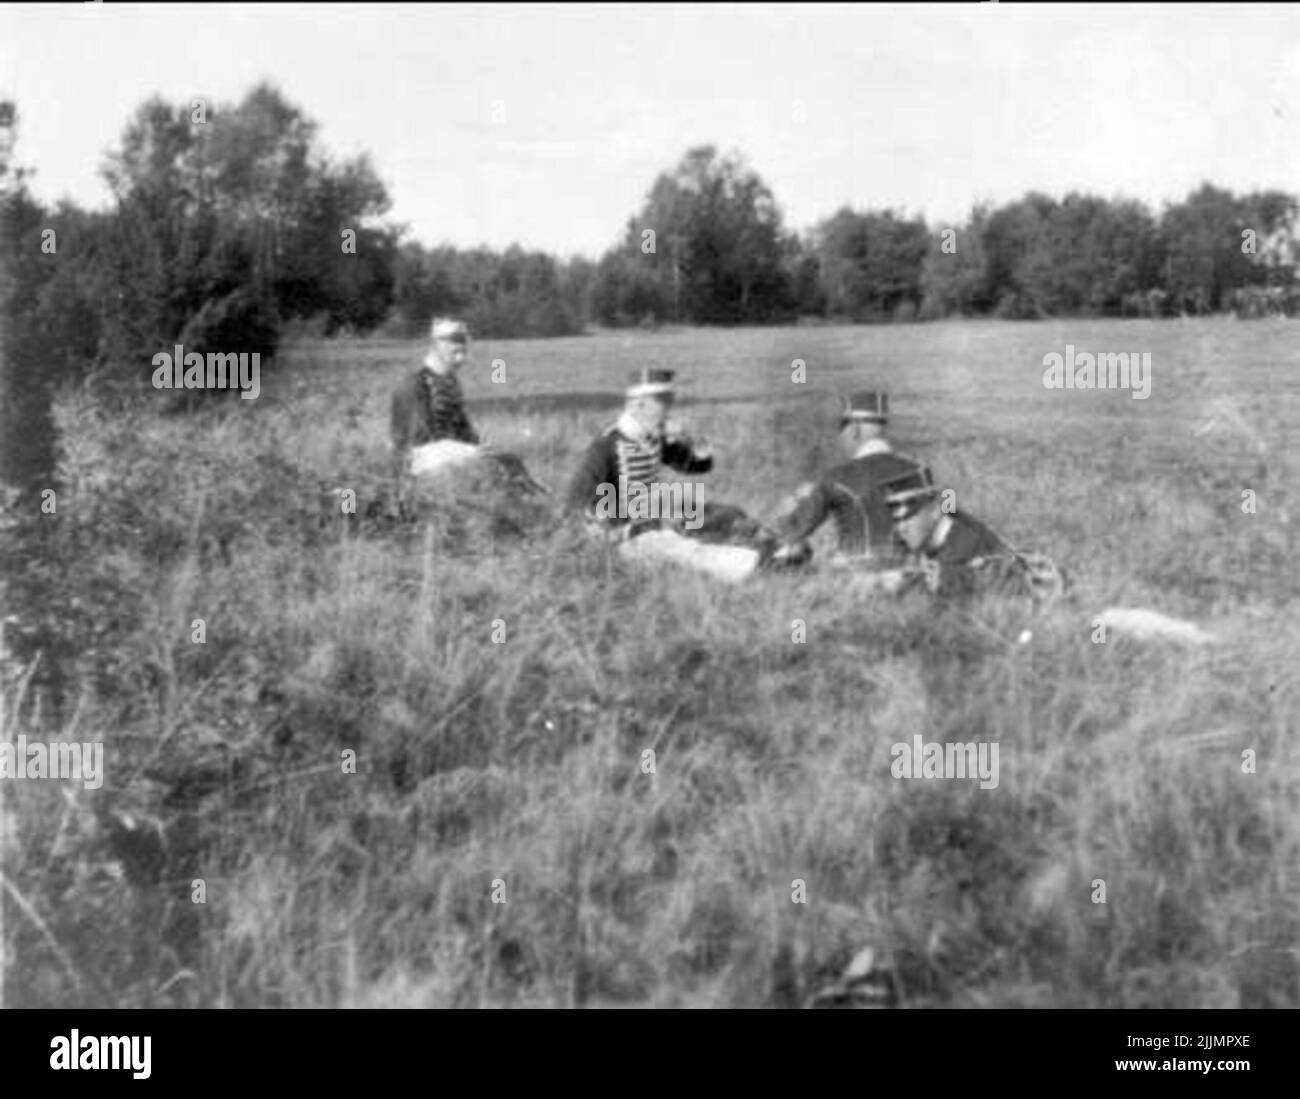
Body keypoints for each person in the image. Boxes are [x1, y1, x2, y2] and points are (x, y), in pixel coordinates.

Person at [565, 368, 782, 581]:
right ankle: (760, 566)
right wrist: (611, 532)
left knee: (728, 514)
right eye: (663, 402)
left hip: (658, 516)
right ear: (637, 404)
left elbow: (696, 466)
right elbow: (575, 500)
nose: (669, 409)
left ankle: (774, 546)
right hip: (628, 535)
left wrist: (690, 440)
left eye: (669, 401)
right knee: (681, 549)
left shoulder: (653, 436)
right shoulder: (606, 445)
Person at [866, 466, 1069, 605]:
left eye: (908, 512)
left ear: (935, 510)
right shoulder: (933, 533)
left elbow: (1000, 581)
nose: (900, 525)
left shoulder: (968, 547)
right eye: (893, 512)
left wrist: (942, 581)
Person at [765, 391, 925, 567]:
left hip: (855, 576)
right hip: (912, 573)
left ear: (854, 430)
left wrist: (796, 503)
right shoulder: (921, 472)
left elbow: (793, 532)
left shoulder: (836, 478)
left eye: (841, 427)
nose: (840, 436)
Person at [389, 316, 544, 495]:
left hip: (447, 456)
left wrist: (477, 448)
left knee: (510, 462)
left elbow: (465, 433)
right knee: (488, 470)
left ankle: (537, 504)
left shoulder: (449, 384)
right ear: (434, 344)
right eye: (452, 340)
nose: (460, 345)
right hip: (419, 462)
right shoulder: (415, 384)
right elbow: (418, 442)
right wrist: (467, 451)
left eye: (462, 339)